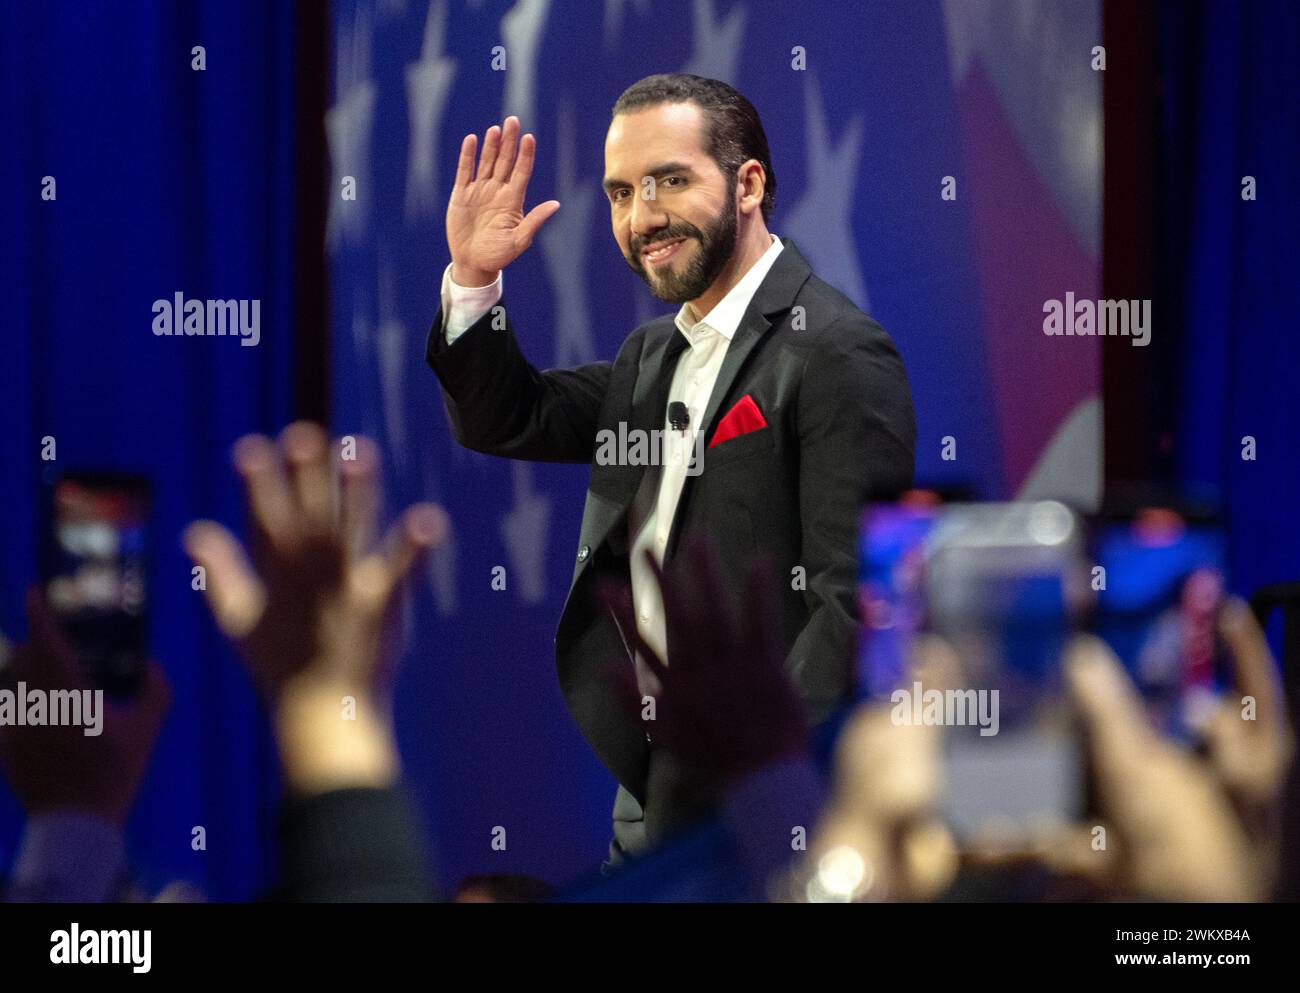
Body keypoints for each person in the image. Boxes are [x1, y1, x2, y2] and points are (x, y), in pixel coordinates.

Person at [426, 73, 916, 870]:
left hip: (765, 804)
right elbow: (506, 414)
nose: (640, 218)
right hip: (651, 797)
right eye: (620, 193)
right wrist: (476, 282)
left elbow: (853, 605)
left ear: (748, 182)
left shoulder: (835, 351)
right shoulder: (651, 355)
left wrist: (766, 778)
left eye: (669, 182)